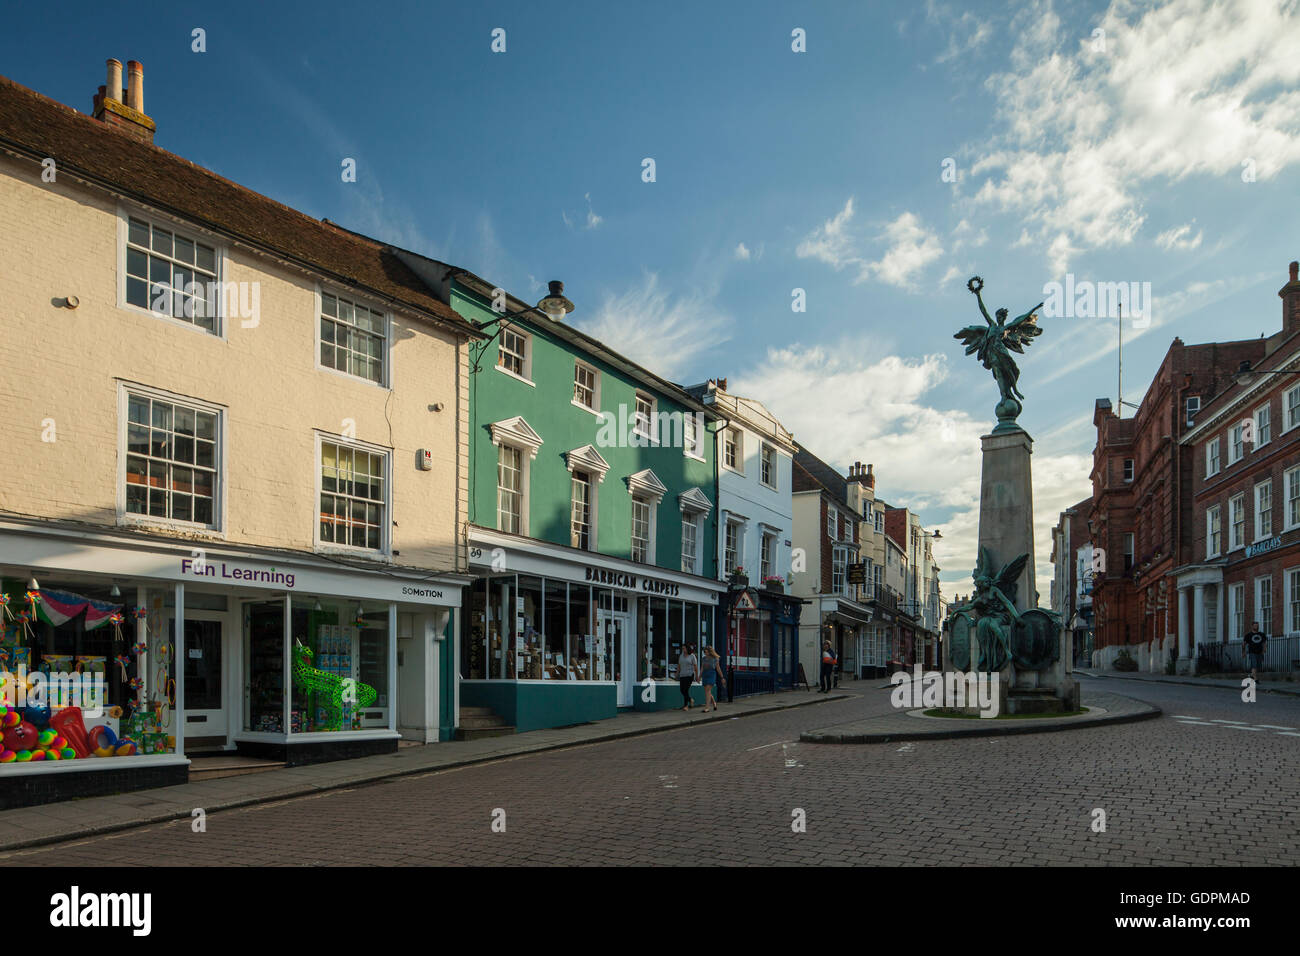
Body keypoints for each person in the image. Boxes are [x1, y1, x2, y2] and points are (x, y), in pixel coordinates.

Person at [700, 645, 723, 712]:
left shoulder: (715, 658)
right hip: (705, 674)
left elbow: (718, 668)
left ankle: (707, 708)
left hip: (711, 674)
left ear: (710, 652)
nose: (705, 653)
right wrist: (699, 676)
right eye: (704, 652)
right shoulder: (704, 658)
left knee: (707, 691)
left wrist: (722, 677)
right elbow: (702, 668)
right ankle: (714, 704)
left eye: (706, 652)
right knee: (707, 692)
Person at [677, 643, 698, 710]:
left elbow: (695, 666)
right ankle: (690, 700)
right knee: (682, 690)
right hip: (682, 675)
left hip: (689, 675)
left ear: (687, 648)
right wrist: (677, 673)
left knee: (685, 690)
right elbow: (679, 665)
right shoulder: (681, 656)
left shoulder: (692, 656)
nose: (683, 650)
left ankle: (686, 706)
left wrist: (697, 676)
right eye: (682, 648)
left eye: (684, 648)